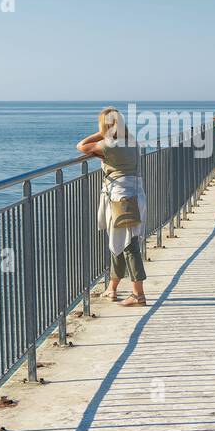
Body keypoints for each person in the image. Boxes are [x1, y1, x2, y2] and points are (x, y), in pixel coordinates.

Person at [76, 107, 148, 307]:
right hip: (136, 195)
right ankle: (112, 288)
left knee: (129, 245)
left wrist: (102, 132)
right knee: (121, 242)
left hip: (121, 198)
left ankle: (138, 295)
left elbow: (81, 146)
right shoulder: (132, 141)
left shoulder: (107, 144)